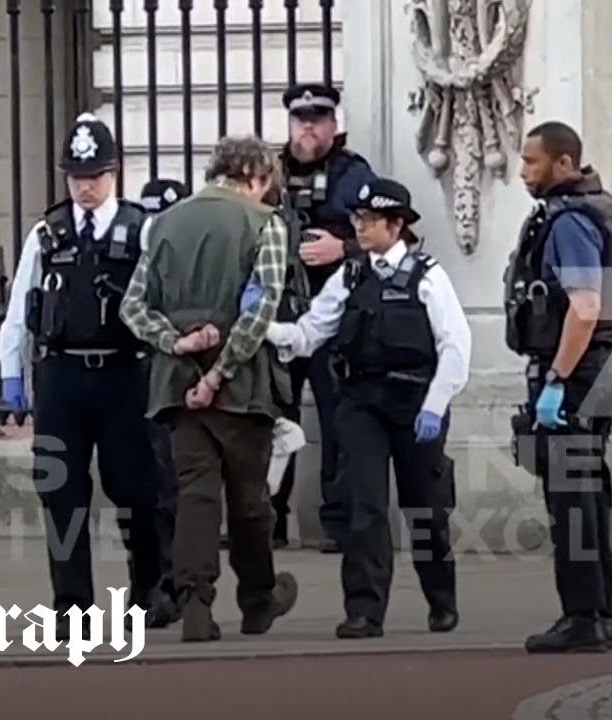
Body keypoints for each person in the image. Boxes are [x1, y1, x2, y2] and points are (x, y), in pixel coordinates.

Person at [265, 178, 469, 638]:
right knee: (363, 506)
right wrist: (266, 329)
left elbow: (455, 345)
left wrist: (436, 404)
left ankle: (441, 599)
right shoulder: (350, 276)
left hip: (416, 402)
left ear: (396, 225)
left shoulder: (428, 276)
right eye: (357, 218)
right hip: (361, 403)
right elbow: (310, 333)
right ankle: (364, 610)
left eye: (370, 219)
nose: (360, 227)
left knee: (425, 507)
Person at [119, 134, 299, 643]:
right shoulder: (264, 223)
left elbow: (133, 306)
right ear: (257, 178)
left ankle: (196, 601)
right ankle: (257, 599)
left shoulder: (163, 223)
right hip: (242, 386)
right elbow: (259, 310)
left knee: (195, 496)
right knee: (249, 499)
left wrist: (175, 343)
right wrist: (220, 371)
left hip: (176, 383)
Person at [0, 114, 163, 638]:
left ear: (114, 173)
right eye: (76, 177)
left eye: (94, 176)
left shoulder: (142, 229)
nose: (85, 187)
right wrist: (12, 375)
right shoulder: (47, 233)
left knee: (135, 489)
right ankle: (73, 608)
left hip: (124, 374)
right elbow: (20, 309)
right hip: (62, 376)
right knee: (61, 493)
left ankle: (149, 593)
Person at [503, 121, 612, 653]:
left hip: (573, 372)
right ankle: (598, 614)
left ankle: (583, 617)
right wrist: (611, 354)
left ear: (564, 163)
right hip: (598, 368)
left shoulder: (569, 220)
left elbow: (584, 307)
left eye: (532, 161)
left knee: (572, 500)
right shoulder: (605, 209)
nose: (522, 171)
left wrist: (558, 379)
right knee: (587, 493)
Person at [274, 82, 377, 552]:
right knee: (272, 419)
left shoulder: (353, 175)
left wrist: (344, 248)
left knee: (339, 420)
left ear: (334, 125)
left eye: (318, 120)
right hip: (279, 314)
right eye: (301, 120)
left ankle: (340, 523)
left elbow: (390, 237)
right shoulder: (270, 173)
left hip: (333, 318)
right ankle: (267, 520)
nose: (308, 129)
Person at [136, 177, 191, 629]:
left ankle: (174, 588)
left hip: (173, 379)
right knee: (144, 493)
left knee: (172, 492)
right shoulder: (134, 256)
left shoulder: (188, 259)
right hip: (131, 379)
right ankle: (150, 587)